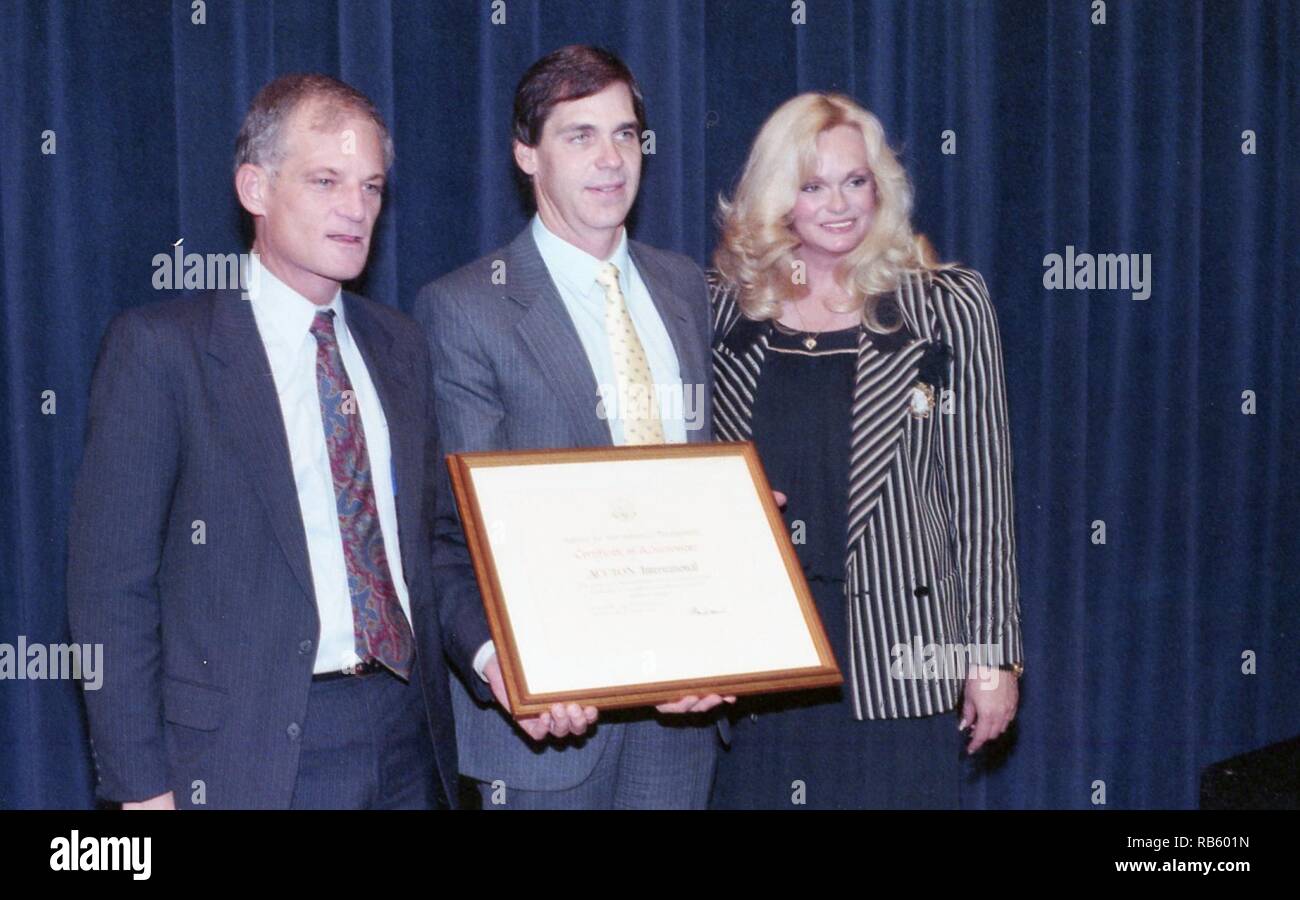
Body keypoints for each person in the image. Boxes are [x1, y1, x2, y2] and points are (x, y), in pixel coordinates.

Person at [66, 74, 458, 809]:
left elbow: (431, 546)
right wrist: (141, 788)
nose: (356, 209)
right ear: (254, 187)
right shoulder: (162, 351)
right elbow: (108, 591)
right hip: (246, 757)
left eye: (372, 187)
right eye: (326, 181)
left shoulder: (398, 344)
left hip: (408, 737)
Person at [415, 45, 727, 809]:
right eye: (578, 135)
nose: (611, 159)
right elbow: (460, 529)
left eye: (625, 134)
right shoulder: (466, 307)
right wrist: (511, 665)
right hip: (544, 723)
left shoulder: (686, 287)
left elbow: (700, 486)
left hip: (678, 720)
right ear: (528, 153)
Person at [708, 92, 1024, 809]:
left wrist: (992, 657)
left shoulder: (945, 303)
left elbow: (981, 493)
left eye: (855, 181)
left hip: (901, 658)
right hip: (765, 662)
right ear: (776, 198)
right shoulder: (724, 307)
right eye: (812, 186)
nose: (839, 204)